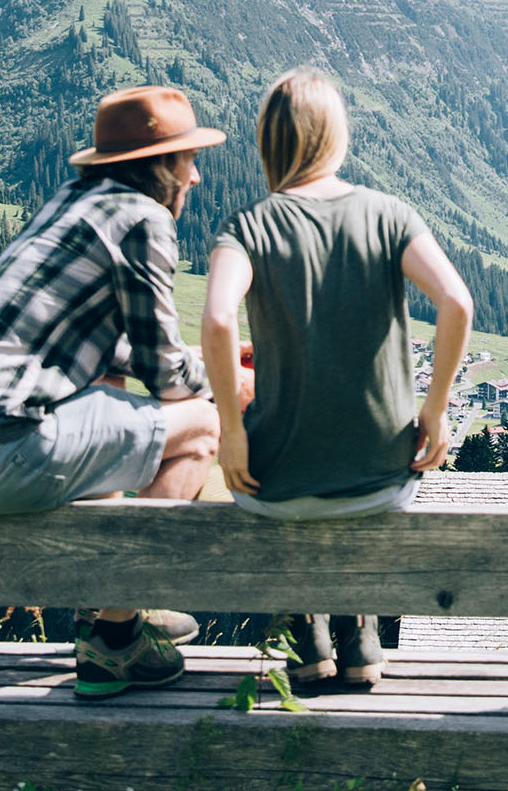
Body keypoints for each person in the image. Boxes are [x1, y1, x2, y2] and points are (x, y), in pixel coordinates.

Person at [0, 85, 225, 701]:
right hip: (1, 451)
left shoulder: (73, 206)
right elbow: (165, 374)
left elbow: (113, 356)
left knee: (108, 391)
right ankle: (118, 635)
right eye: (188, 160)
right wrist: (224, 379)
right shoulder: (144, 218)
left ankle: (105, 605)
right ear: (161, 166)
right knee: (202, 427)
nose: (197, 176)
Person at [200, 67, 474, 690]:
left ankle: (309, 634)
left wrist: (231, 431)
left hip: (277, 486)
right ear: (336, 136)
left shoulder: (247, 228)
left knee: (291, 488)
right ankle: (360, 631)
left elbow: (216, 319)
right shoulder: (390, 215)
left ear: (268, 146)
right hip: (384, 478)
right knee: (349, 494)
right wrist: (435, 408)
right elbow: (457, 303)